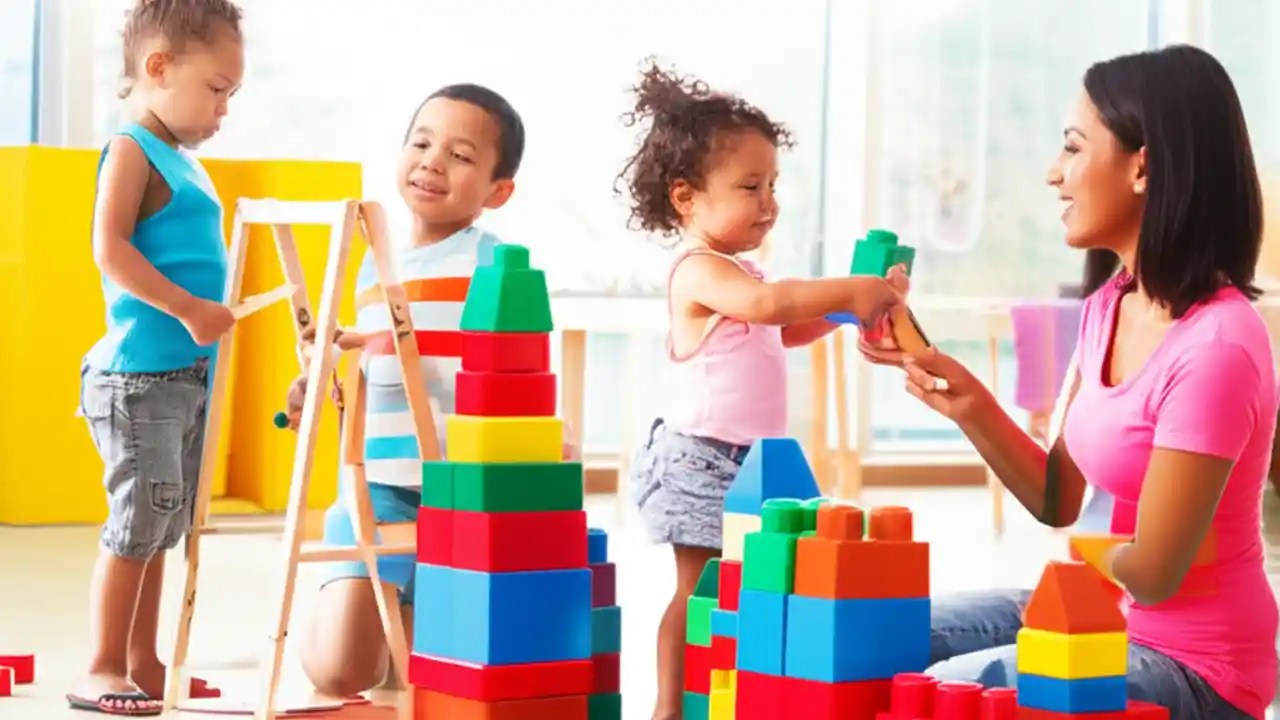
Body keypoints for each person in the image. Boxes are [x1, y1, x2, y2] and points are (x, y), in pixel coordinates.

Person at [861, 45, 1277, 720]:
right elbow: (1060, 495)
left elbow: (1156, 572)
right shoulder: (1109, 304)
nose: (1055, 175)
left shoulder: (1217, 347)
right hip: (1107, 612)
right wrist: (966, 401)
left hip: (1199, 669)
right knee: (876, 636)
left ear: (1143, 165)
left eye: (1074, 149)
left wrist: (1086, 557)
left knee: (944, 695)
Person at [616, 60, 907, 720]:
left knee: (750, 587)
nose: (769, 202)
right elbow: (771, 305)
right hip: (699, 459)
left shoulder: (742, 272)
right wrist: (850, 288)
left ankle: (730, 694)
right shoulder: (699, 271)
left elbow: (789, 327)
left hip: (752, 464)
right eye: (750, 186)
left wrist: (858, 305)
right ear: (688, 198)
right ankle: (668, 706)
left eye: (772, 184)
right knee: (698, 589)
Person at [280, 83, 540, 699]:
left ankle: (399, 612)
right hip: (382, 488)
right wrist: (316, 383)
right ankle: (344, 602)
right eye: (421, 143)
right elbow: (373, 368)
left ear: (498, 191)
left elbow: (521, 368)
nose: (432, 161)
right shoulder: (375, 262)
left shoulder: (492, 260)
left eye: (460, 155)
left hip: (464, 496)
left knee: (429, 680)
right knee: (343, 672)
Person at [70, 0, 245, 715]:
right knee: (136, 523)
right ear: (159, 67)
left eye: (232, 95)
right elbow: (109, 248)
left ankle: (144, 660)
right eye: (217, 89)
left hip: (182, 378)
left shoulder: (182, 161)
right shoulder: (132, 148)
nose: (224, 109)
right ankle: (102, 663)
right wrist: (189, 309)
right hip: (140, 376)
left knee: (163, 526)